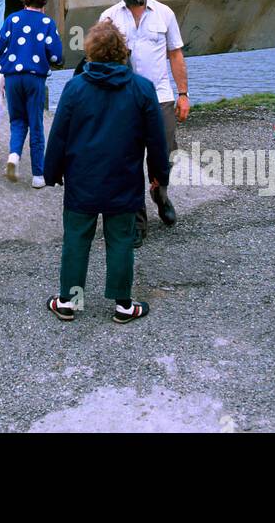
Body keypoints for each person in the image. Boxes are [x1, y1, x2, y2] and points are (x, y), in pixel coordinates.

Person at [43, 22, 168, 324]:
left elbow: (59, 135)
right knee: (121, 240)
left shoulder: (75, 88)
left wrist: (51, 172)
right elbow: (156, 139)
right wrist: (159, 174)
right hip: (123, 179)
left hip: (82, 180)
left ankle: (69, 302)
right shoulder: (142, 89)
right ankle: (123, 304)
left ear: (90, 54)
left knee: (76, 239)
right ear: (123, 51)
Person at [99, 0, 187, 243]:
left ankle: (160, 195)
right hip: (123, 101)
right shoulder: (109, 18)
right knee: (129, 161)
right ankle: (137, 221)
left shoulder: (165, 14)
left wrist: (183, 94)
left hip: (160, 97)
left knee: (164, 155)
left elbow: (175, 55)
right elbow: (99, 62)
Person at [0, 0, 64, 188]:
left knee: (17, 121)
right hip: (35, 79)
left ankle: (14, 156)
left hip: (12, 78)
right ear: (45, 2)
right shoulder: (47, 23)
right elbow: (57, 56)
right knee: (36, 124)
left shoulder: (12, 19)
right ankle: (38, 175)